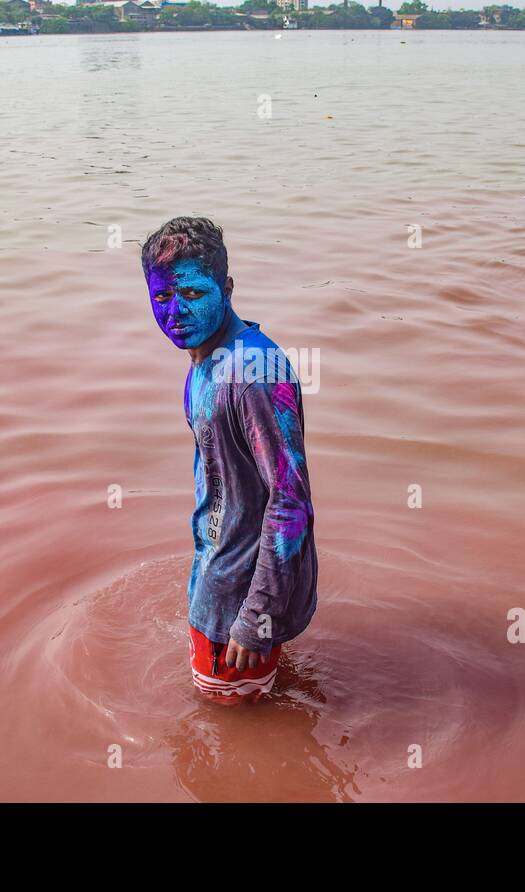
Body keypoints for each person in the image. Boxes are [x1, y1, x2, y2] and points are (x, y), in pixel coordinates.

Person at [140, 216, 319, 704]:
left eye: (193, 295)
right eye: (161, 298)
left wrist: (255, 618)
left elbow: (291, 503)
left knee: (223, 721)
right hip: (222, 576)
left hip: (241, 597)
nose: (175, 312)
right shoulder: (205, 358)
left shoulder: (252, 373)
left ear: (228, 287)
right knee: (250, 703)